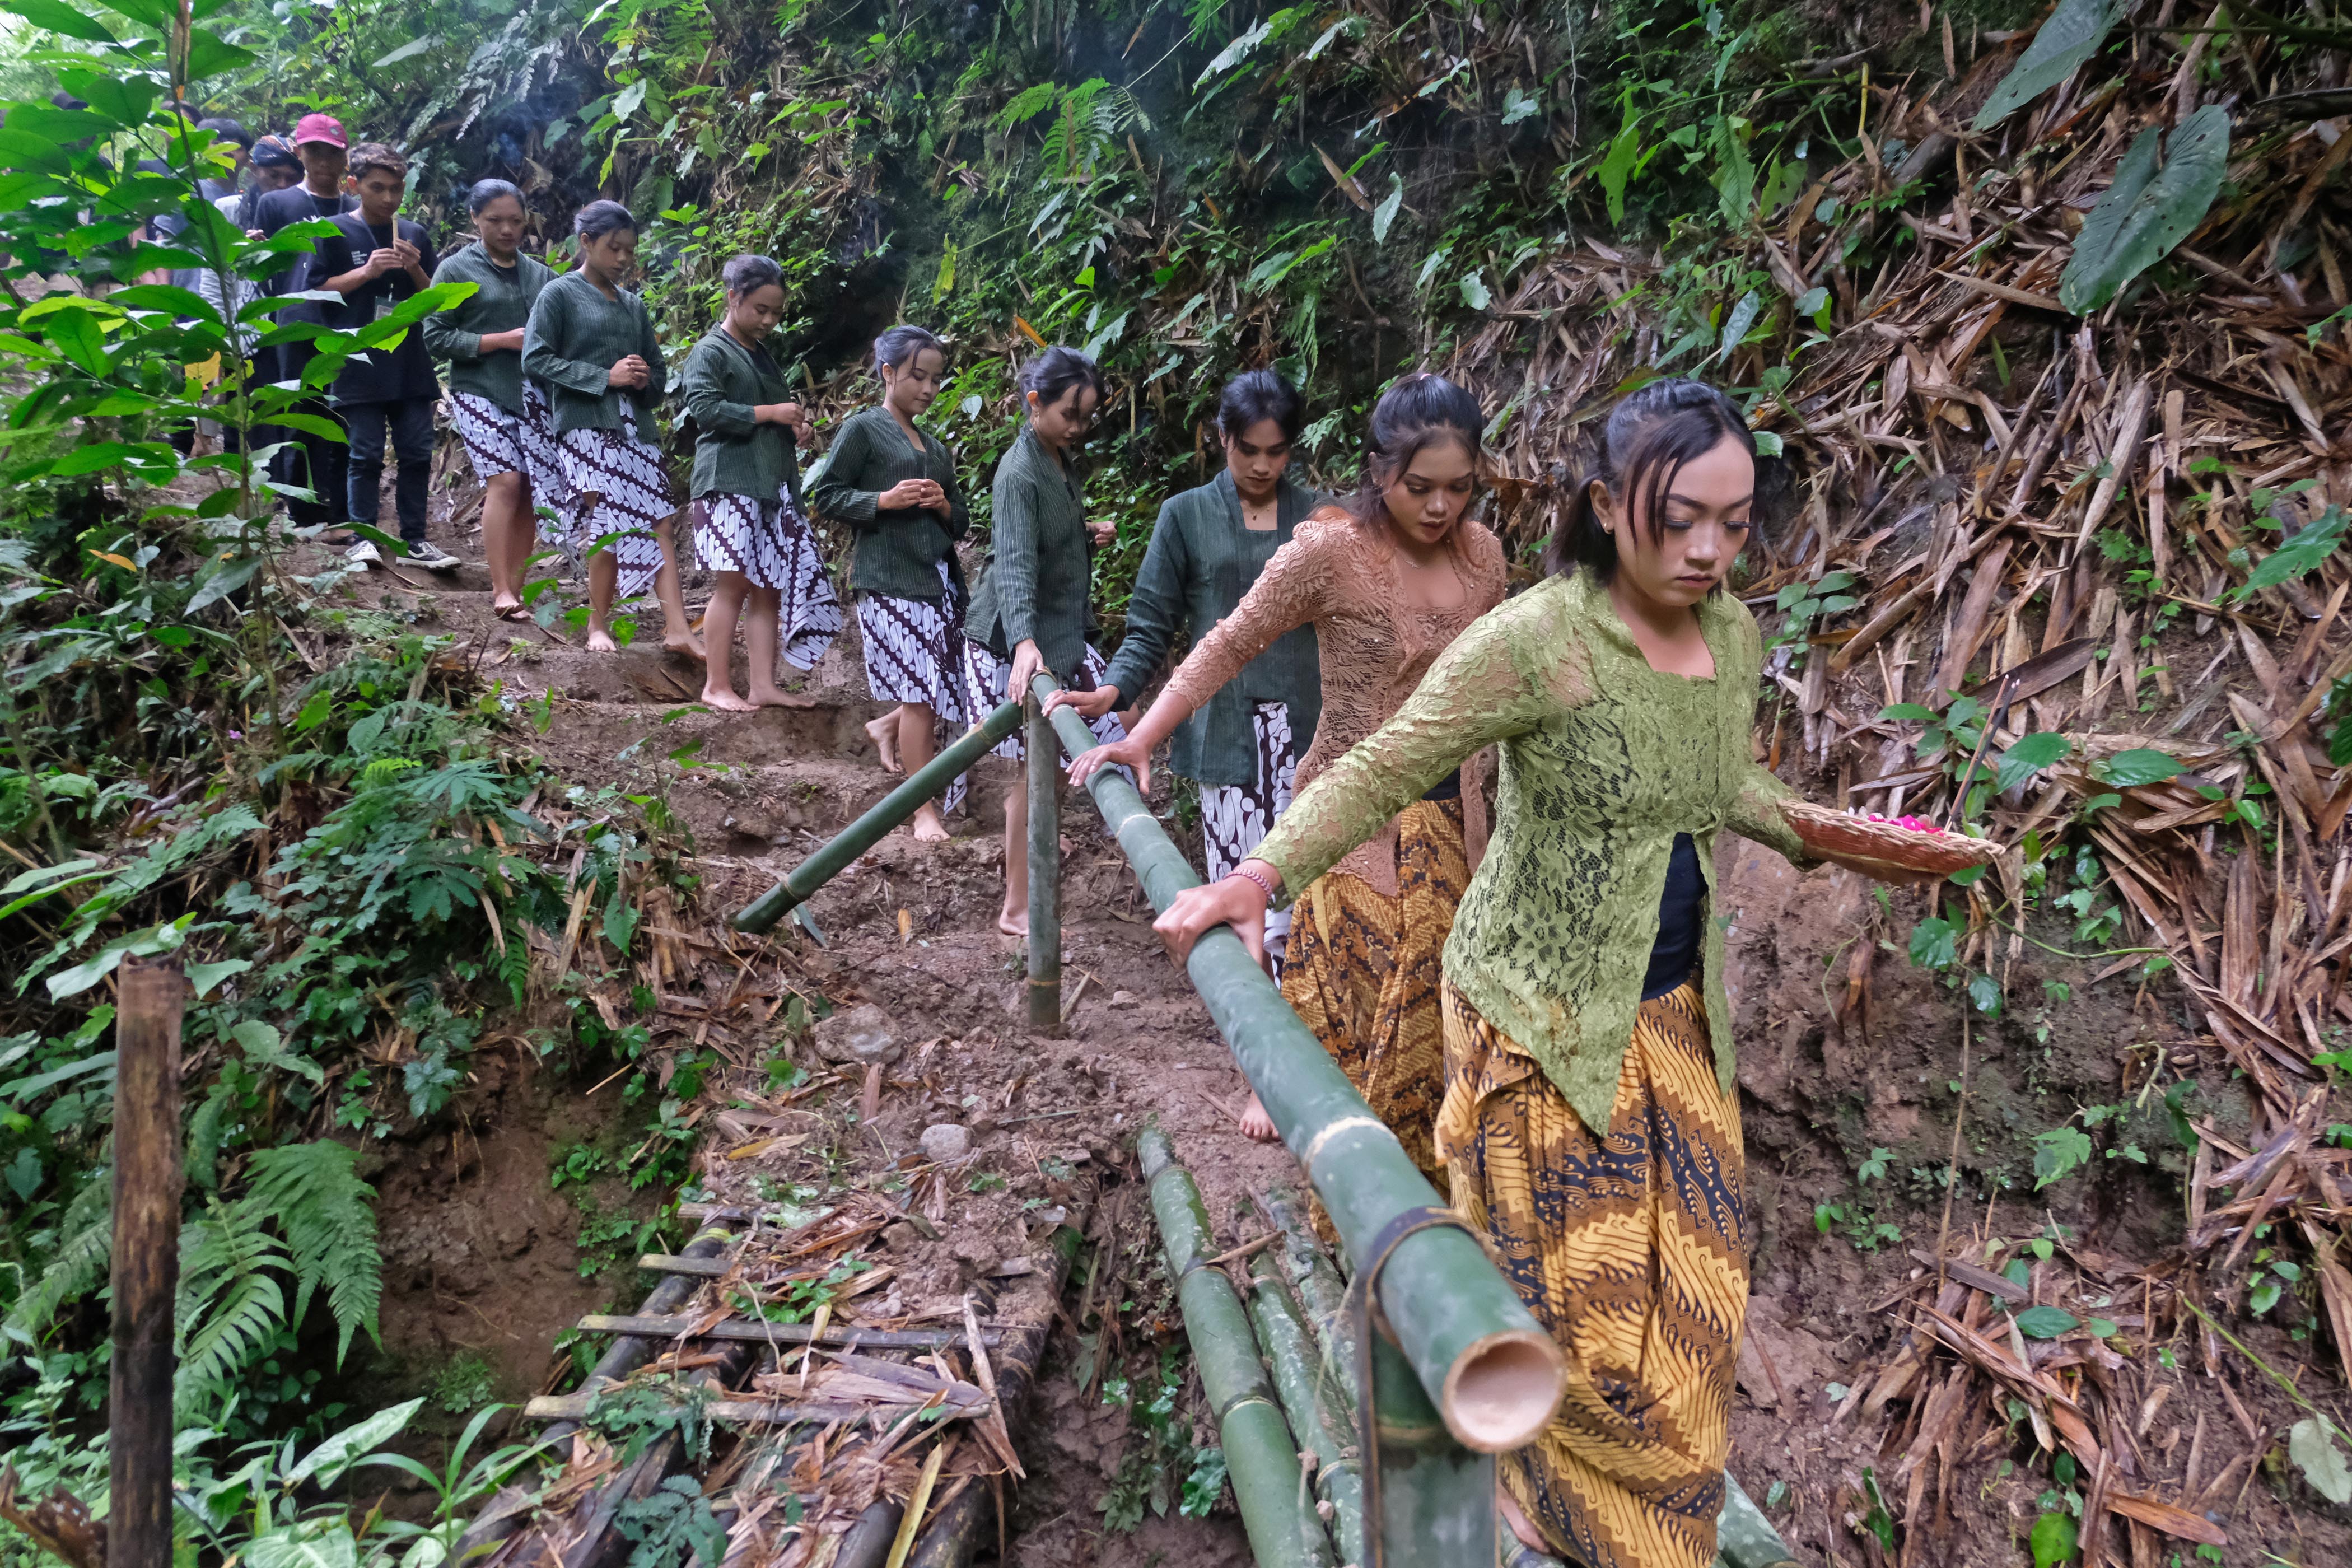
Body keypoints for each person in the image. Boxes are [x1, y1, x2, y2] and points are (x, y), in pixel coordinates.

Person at [1152, 377, 1930, 1568]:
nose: (1713, 548)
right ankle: (1532, 1494)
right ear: (1611, 507)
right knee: (1585, 1306)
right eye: (1683, 519)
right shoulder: (1537, 637)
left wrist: (1823, 830)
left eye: (1736, 519)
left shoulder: (1729, 636)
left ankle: (1640, 1510)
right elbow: (1387, 759)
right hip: (1539, 1013)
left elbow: (1717, 782)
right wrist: (1257, 877)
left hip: (1677, 1018)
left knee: (1702, 1298)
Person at [1074, 371, 1503, 1168]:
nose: (1441, 508)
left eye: (1460, 488)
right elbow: (1229, 642)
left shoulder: (1484, 559)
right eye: (1420, 488)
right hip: (1350, 826)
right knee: (1357, 1006)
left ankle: (1423, 1209)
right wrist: (1142, 738)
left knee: (1437, 1025)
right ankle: (1346, 1192)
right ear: (1379, 472)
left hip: (1456, 827)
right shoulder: (1331, 551)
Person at [1049, 368, 1323, 966]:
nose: (1261, 465)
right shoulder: (1186, 515)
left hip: (1311, 737)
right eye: (1248, 449)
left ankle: (1301, 1036)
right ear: (1221, 439)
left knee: (1308, 905)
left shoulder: (1322, 519)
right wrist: (1113, 688)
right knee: (1238, 894)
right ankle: (1254, 1034)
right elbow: (1151, 622)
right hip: (1225, 732)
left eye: (1276, 452)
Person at [962, 346, 1127, 935]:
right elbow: (1012, 563)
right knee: (1032, 777)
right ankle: (1016, 907)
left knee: (1052, 773)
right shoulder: (1019, 471)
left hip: (1056, 636)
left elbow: (1044, 537)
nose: (1079, 428)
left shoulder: (1056, 458)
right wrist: (1024, 643)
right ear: (1034, 403)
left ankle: (1030, 883)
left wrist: (1084, 535)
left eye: (1088, 417)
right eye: (1069, 414)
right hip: (1016, 640)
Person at [808, 324, 969, 841]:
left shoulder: (937, 448)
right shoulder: (863, 430)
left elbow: (960, 520)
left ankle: (887, 726)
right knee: (923, 695)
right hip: (887, 581)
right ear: (888, 372)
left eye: (936, 380)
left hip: (938, 583)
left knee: (937, 688)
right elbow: (828, 496)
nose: (928, 389)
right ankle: (921, 810)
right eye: (918, 377)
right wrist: (883, 500)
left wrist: (944, 506)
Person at [522, 199, 699, 657]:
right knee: (607, 517)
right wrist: (605, 377)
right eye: (614, 248)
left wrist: (642, 380)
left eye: (630, 251)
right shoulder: (558, 294)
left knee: (659, 518)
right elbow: (535, 359)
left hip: (635, 427)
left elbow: (659, 378)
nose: (623, 259)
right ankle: (597, 627)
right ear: (586, 243)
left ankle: (677, 627)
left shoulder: (634, 306)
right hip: (583, 425)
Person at [680, 253, 842, 710]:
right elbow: (706, 411)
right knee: (733, 585)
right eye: (761, 310)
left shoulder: (762, 354)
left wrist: (792, 428)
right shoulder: (710, 351)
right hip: (728, 482)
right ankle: (716, 685)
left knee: (769, 584)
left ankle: (763, 685)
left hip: (771, 485)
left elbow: (767, 415)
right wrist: (770, 413)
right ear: (733, 298)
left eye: (776, 312)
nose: (770, 320)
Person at [425, 178, 572, 619]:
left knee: (528, 489)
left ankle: (518, 588)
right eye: (495, 220)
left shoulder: (541, 274)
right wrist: (499, 341)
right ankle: (499, 588)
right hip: (479, 390)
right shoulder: (454, 270)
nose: (507, 229)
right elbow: (434, 336)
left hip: (533, 394)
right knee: (505, 482)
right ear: (475, 219)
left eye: (515, 220)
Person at [310, 142, 454, 570]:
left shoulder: (414, 235)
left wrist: (413, 268)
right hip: (357, 360)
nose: (389, 198)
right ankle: (363, 535)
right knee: (366, 452)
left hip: (410, 362)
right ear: (353, 185)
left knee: (416, 452)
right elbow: (316, 291)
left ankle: (415, 540)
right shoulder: (332, 231)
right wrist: (367, 272)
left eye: (396, 189)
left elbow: (436, 301)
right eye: (378, 188)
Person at [249, 114, 356, 532]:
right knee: (302, 409)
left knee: (345, 413)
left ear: (345, 158)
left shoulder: (355, 207)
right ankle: (301, 505)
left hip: (350, 323)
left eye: (332, 152)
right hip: (297, 321)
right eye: (315, 151)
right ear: (300, 153)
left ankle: (343, 507)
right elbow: (267, 272)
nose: (324, 160)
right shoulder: (276, 203)